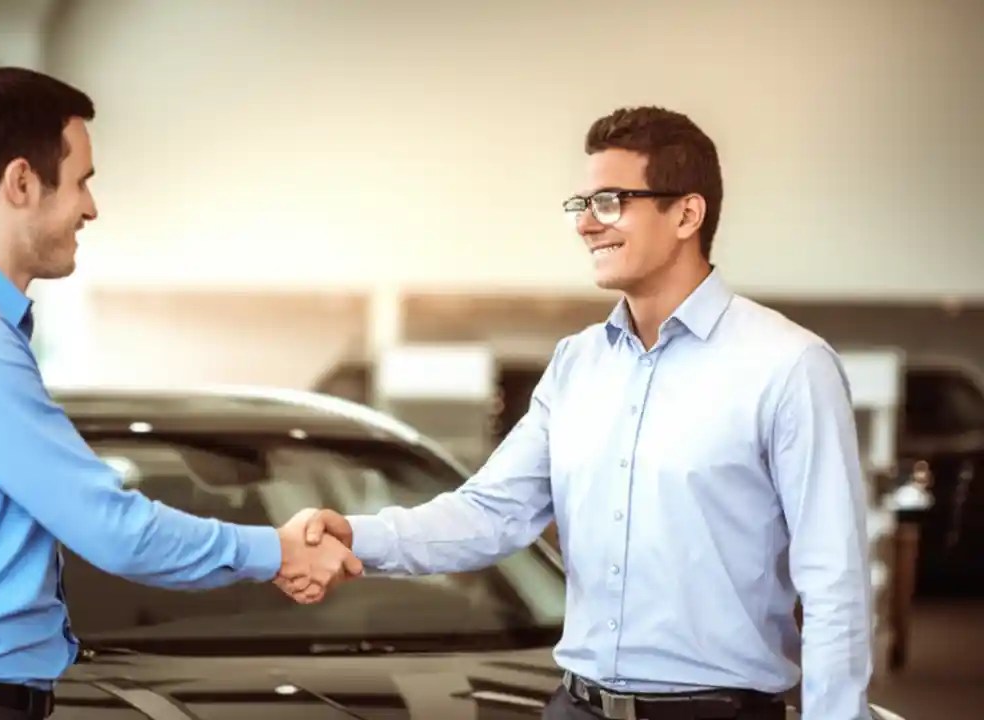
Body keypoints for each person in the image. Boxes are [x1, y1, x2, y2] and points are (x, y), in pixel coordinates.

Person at [284, 107, 873, 720]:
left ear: (687, 214)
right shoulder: (578, 363)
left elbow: (834, 585)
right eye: (582, 204)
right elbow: (491, 514)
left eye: (612, 202)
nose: (587, 225)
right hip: (576, 707)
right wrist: (359, 535)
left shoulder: (788, 365)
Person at [0, 67, 360, 720]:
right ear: (22, 182)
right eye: (83, 180)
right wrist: (277, 549)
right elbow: (113, 531)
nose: (91, 207)